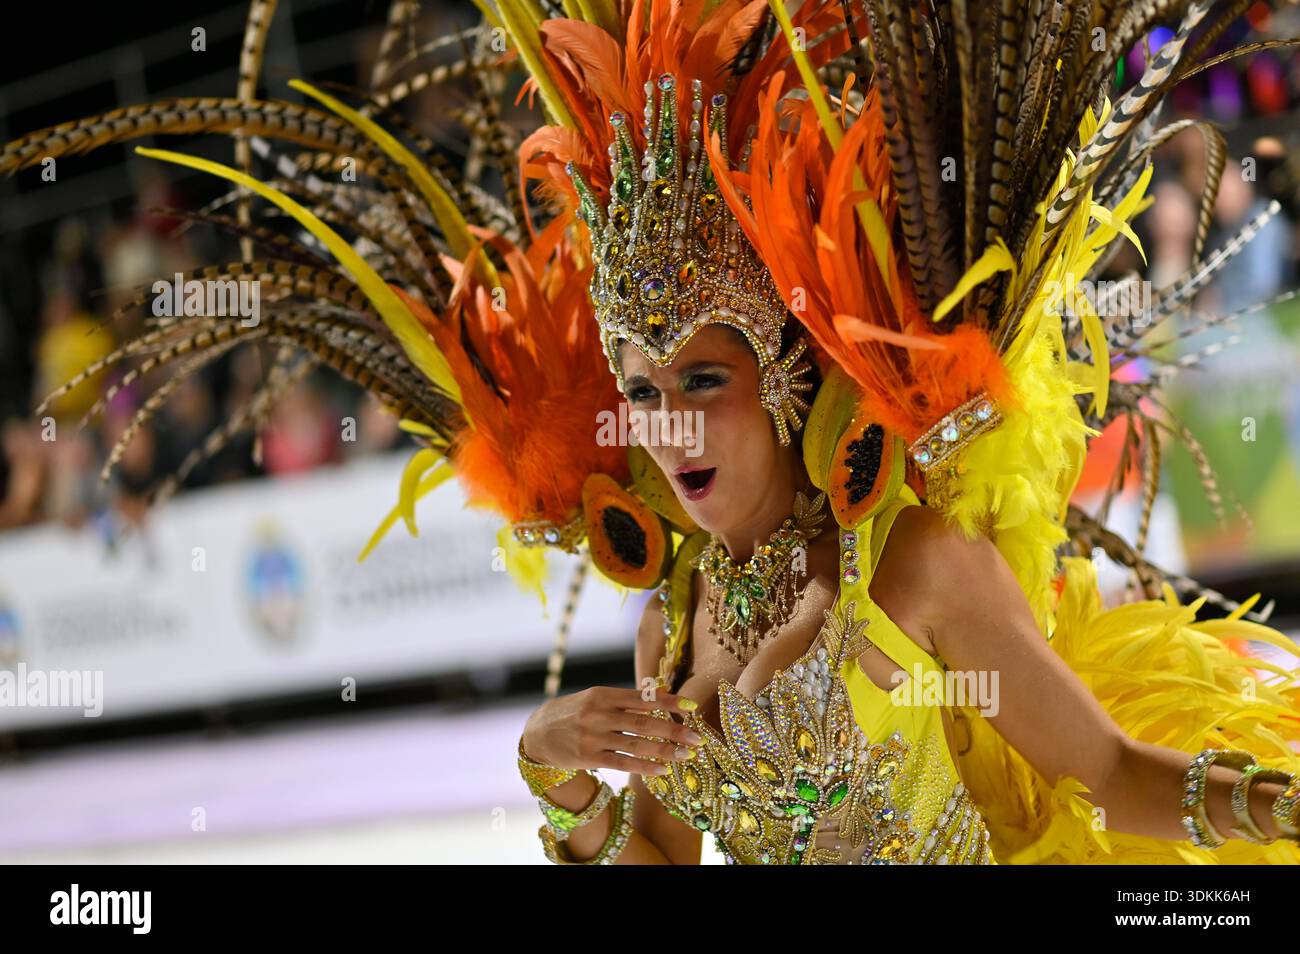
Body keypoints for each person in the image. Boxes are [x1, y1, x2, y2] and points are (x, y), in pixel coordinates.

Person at [7, 0, 1300, 865]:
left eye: (703, 373)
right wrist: (554, 769)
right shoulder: (669, 627)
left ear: (792, 377)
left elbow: (1116, 776)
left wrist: (1267, 806)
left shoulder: (911, 569)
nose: (663, 414)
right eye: (638, 380)